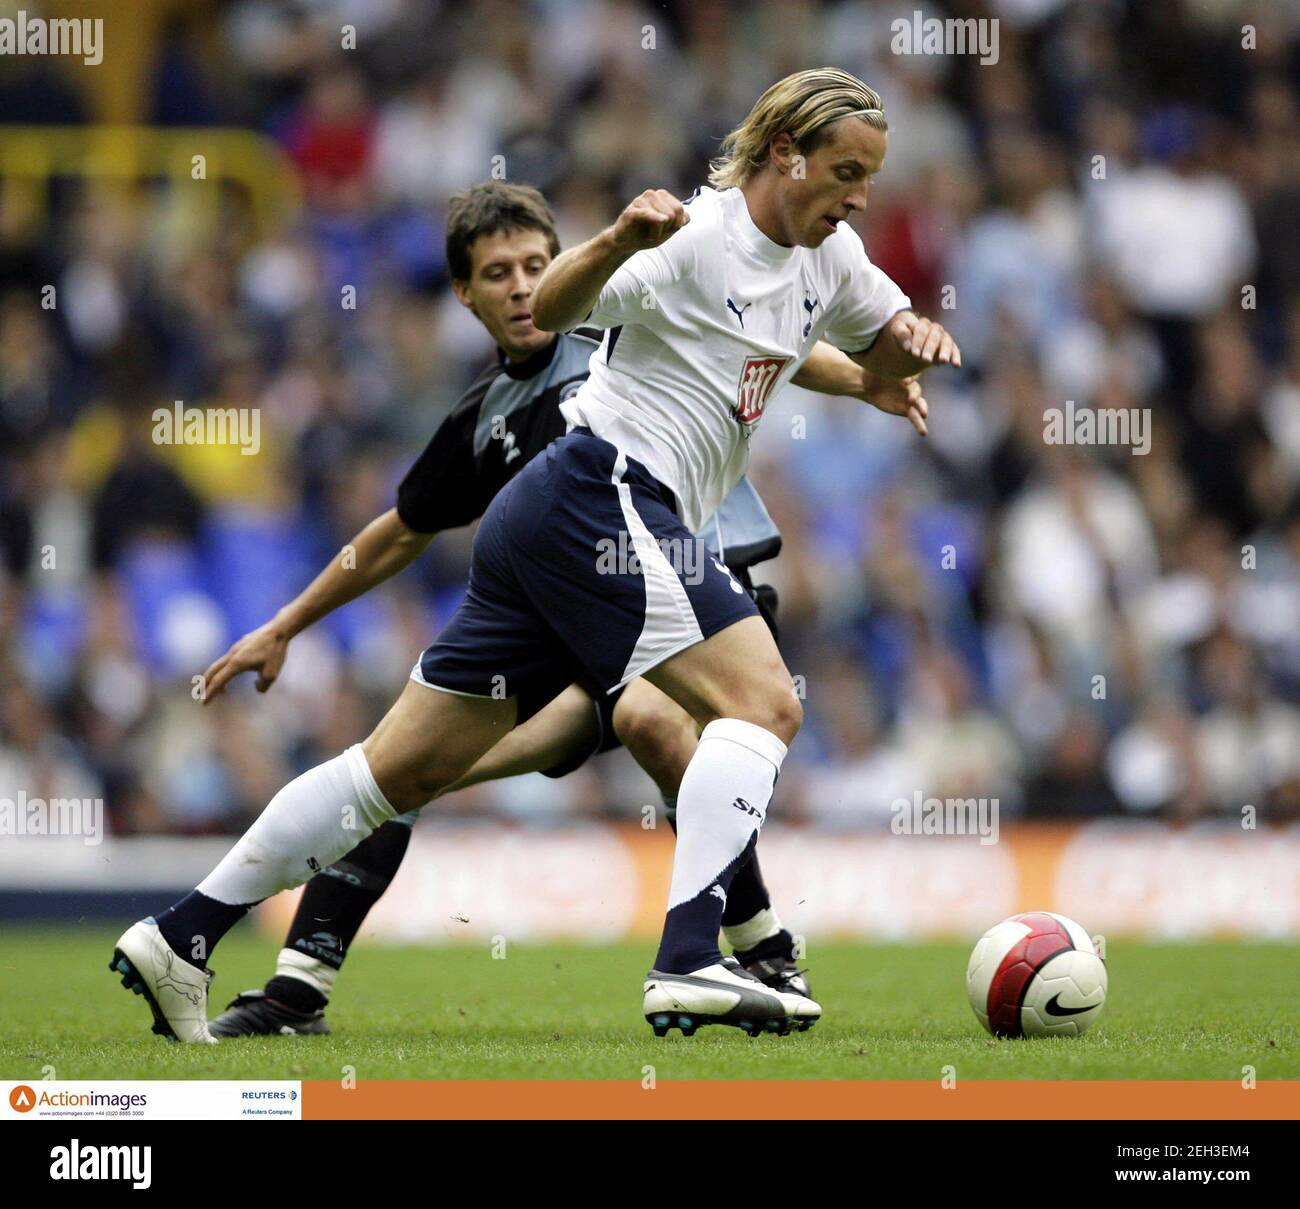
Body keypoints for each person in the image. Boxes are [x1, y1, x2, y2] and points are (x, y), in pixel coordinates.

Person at [111, 66, 955, 1042]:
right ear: (782, 153)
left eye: (869, 176)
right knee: (757, 703)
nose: (860, 195)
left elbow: (839, 337)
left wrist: (898, 355)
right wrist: (615, 240)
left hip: (560, 524)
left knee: (395, 773)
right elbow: (559, 313)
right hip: (607, 497)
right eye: (846, 170)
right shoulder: (694, 237)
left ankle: (184, 934)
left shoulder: (830, 254)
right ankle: (695, 957)